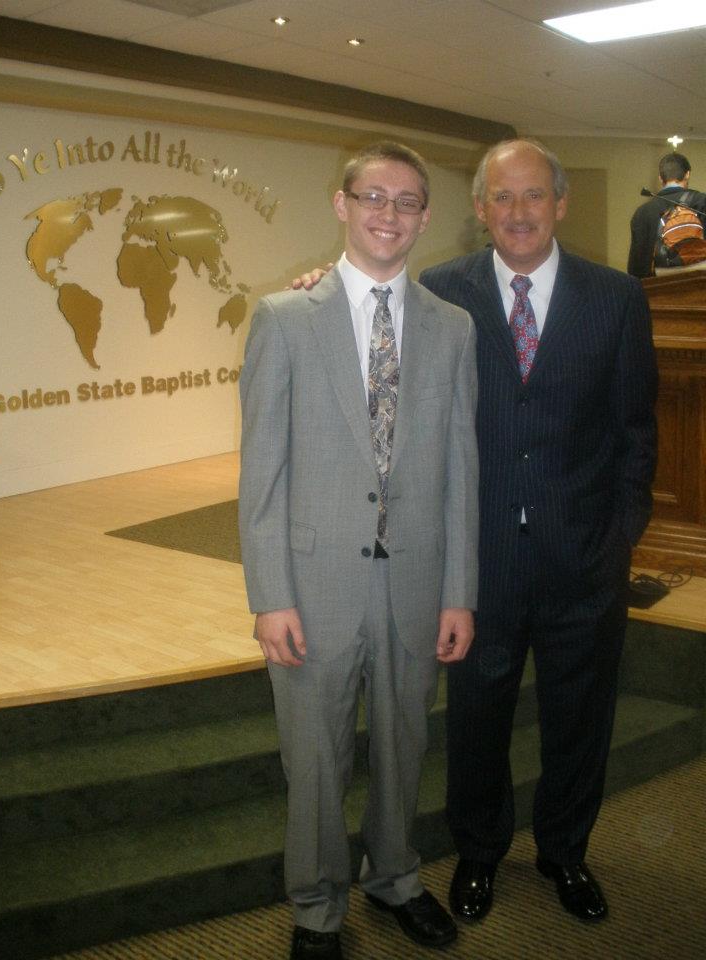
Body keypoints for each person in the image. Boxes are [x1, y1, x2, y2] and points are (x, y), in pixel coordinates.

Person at [295, 138, 658, 928]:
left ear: (559, 204)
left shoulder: (616, 297)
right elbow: (367, 328)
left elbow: (637, 428)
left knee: (579, 719)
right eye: (502, 197)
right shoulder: (439, 291)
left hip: (583, 559)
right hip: (476, 562)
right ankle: (481, 853)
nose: (518, 212)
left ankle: (565, 851)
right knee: (477, 722)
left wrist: (619, 535)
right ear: (480, 209)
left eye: (534, 196)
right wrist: (318, 291)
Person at [239, 140, 479, 960]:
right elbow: (261, 473)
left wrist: (459, 591)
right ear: (342, 205)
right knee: (314, 759)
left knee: (407, 744)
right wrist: (269, 594)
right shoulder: (283, 318)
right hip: (312, 589)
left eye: (407, 200)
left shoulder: (453, 327)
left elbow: (461, 472)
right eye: (373, 196)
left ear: (424, 217)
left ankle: (396, 878)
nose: (389, 212)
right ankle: (315, 908)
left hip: (416, 583)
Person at [627, 151, 706, 278]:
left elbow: (636, 267)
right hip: (699, 286)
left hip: (659, 290)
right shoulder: (702, 202)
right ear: (687, 174)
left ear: (660, 178)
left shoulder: (642, 213)